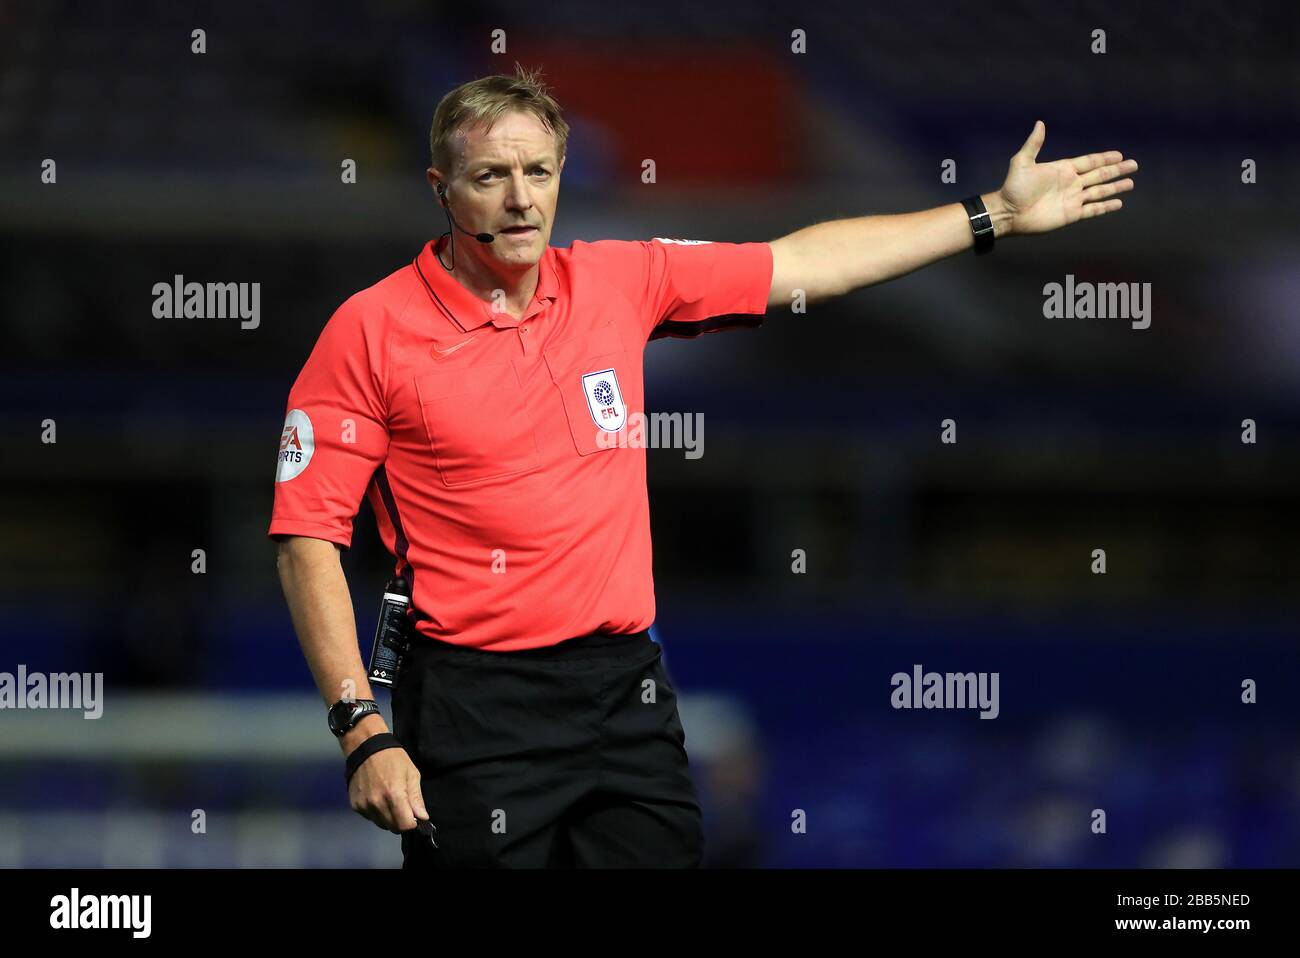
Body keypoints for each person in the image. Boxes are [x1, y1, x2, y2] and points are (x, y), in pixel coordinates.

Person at [269, 64, 1138, 868]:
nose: (520, 198)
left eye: (538, 171)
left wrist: (994, 213)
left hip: (624, 694)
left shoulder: (619, 280)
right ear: (441, 188)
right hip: (471, 708)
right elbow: (307, 535)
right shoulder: (371, 330)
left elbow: (804, 263)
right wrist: (362, 729)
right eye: (490, 176)